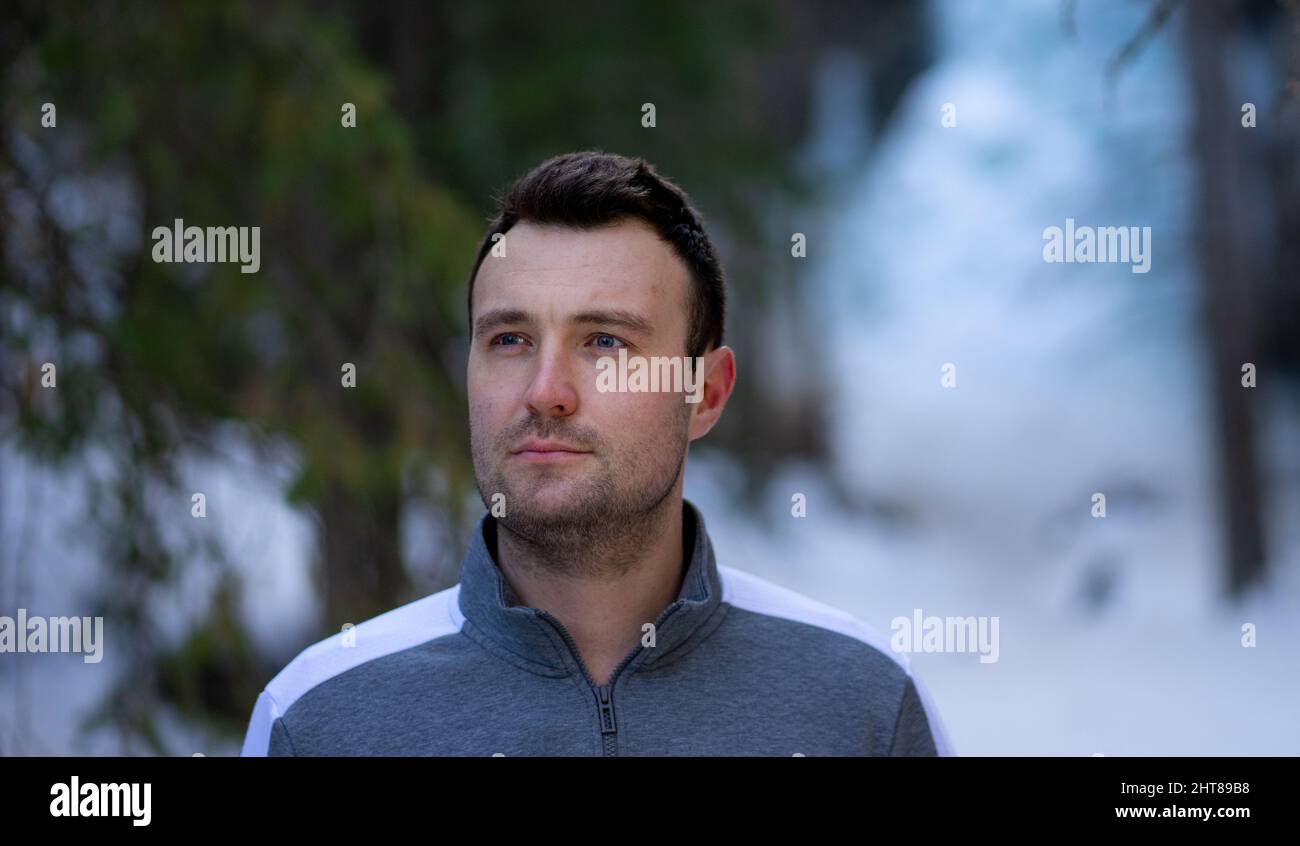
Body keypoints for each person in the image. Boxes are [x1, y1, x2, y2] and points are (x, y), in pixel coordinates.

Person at [241, 150, 952, 756]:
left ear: (705, 393)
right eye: (509, 340)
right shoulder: (322, 720)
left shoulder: (860, 707)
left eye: (605, 342)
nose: (546, 392)